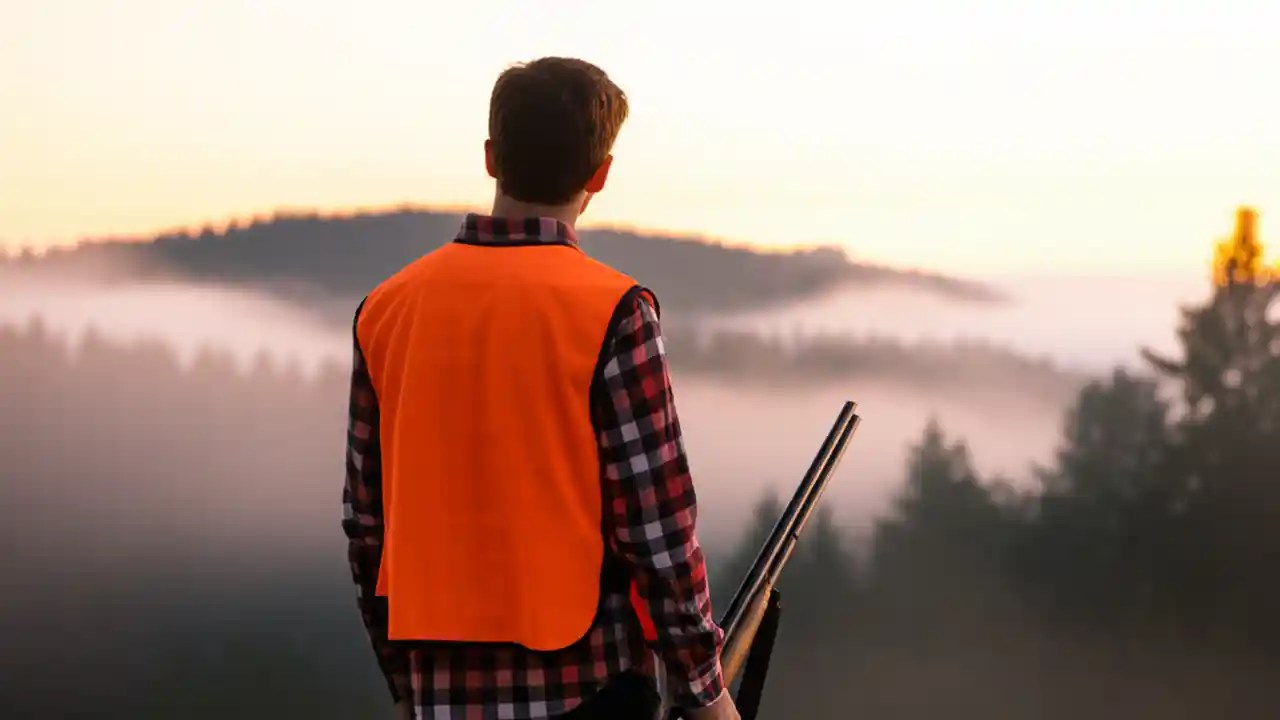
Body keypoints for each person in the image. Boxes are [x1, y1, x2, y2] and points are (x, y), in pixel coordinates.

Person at [341, 57, 740, 720]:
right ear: (600, 174)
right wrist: (705, 691)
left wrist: (407, 684)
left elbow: (366, 528)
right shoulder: (617, 312)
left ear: (491, 158)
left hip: (440, 692)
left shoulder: (386, 309)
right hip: (590, 692)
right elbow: (658, 531)